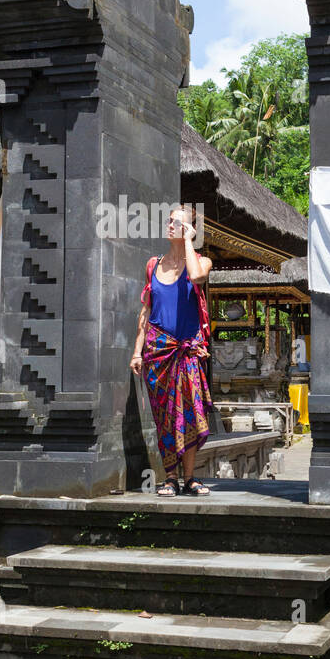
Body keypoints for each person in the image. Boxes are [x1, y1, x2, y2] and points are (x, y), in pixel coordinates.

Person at [130, 205, 213, 496]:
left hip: (187, 351)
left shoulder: (202, 262)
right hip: (158, 352)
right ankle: (170, 478)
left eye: (178, 222)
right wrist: (137, 351)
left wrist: (189, 242)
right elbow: (146, 311)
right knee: (164, 416)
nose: (170, 225)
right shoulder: (153, 265)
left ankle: (190, 478)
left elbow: (196, 276)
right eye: (169, 220)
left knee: (190, 412)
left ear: (189, 229)